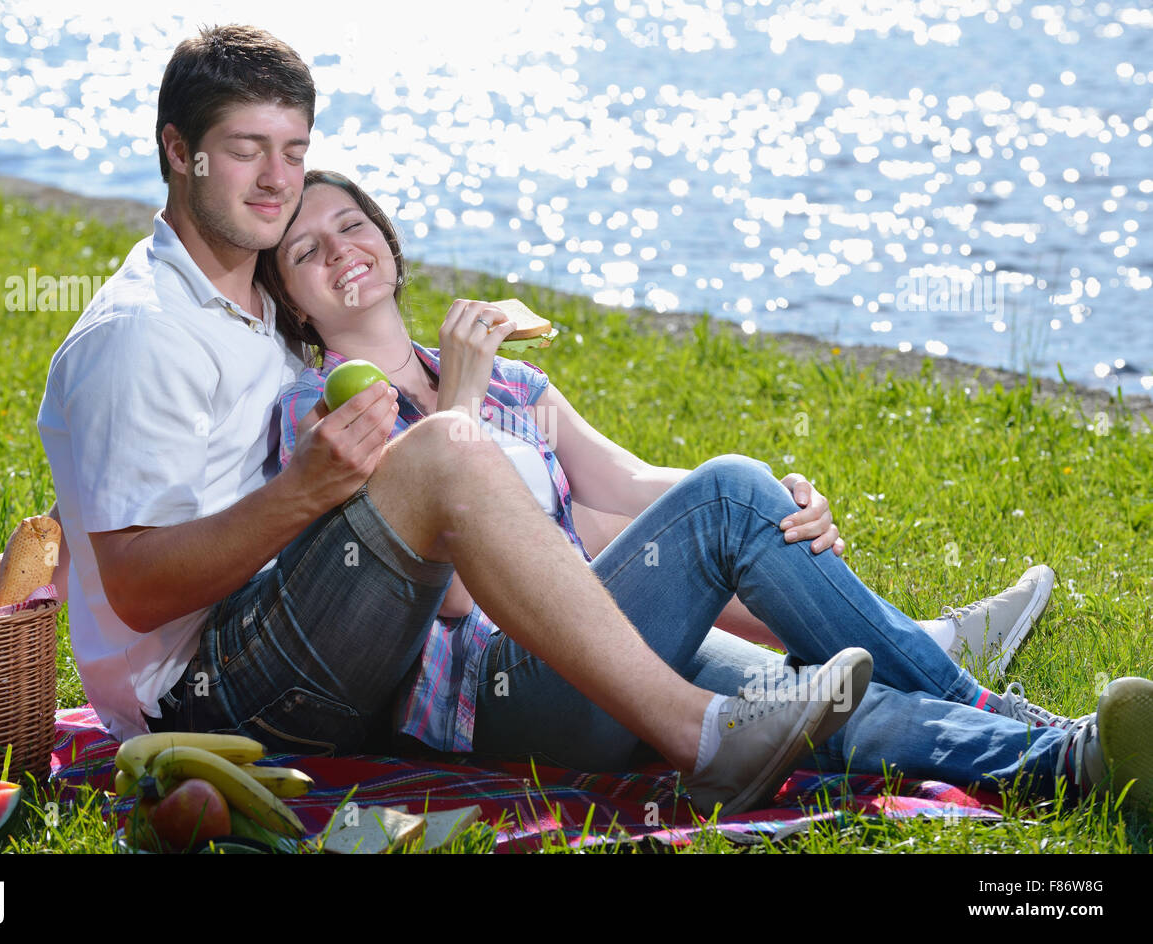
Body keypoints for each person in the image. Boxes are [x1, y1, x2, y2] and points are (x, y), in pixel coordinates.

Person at [36, 23, 877, 819]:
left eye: (292, 151)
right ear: (179, 152)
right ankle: (700, 735)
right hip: (211, 698)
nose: (275, 180)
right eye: (245, 151)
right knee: (448, 451)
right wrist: (305, 491)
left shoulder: (258, 300)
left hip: (321, 637)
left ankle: (946, 691)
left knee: (707, 550)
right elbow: (139, 592)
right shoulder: (142, 333)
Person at [268, 168, 1153, 816]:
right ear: (295, 303)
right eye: (308, 249)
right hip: (502, 698)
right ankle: (1002, 705)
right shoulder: (322, 413)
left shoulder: (514, 386)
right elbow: (453, 593)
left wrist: (782, 502)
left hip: (607, 645)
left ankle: (1068, 759)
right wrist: (455, 398)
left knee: (820, 702)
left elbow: (639, 483)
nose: (341, 251)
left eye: (353, 225)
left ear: (387, 241)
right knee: (729, 496)